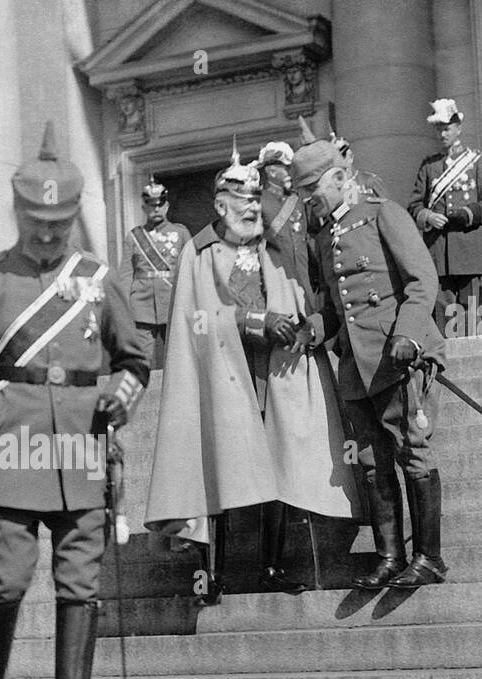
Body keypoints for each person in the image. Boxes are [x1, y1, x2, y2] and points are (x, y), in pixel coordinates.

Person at [0, 122, 150, 679]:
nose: (50, 233)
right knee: (5, 579)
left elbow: (136, 360)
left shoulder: (98, 278)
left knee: (79, 583)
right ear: (18, 213)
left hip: (81, 445)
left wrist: (122, 396)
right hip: (9, 443)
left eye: (60, 221)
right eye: (37, 221)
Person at [144, 143, 360, 604]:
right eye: (242, 201)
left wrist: (301, 325)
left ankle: (271, 565)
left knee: (276, 459)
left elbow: (305, 294)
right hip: (219, 374)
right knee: (217, 464)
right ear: (221, 204)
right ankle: (213, 573)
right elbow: (194, 320)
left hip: (272, 369)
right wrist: (254, 321)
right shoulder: (198, 253)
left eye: (255, 199)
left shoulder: (274, 247)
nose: (252, 207)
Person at [292, 140, 450, 589]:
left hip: (397, 357)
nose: (308, 200)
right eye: (302, 193)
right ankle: (390, 557)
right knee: (372, 462)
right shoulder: (324, 237)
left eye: (312, 188)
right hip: (356, 366)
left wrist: (409, 332)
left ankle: (430, 558)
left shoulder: (385, 213)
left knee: (411, 450)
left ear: (340, 179)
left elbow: (423, 279)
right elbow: (336, 306)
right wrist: (313, 329)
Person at [408, 98, 482, 334]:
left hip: (468, 246)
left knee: (472, 308)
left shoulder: (476, 162)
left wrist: (466, 214)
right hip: (438, 249)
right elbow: (414, 204)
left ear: (459, 128)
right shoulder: (429, 166)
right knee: (443, 309)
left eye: (446, 128)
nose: (442, 134)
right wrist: (428, 216)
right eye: (439, 129)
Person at [123, 177, 191, 369]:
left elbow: (190, 271)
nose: (156, 209)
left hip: (173, 301)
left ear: (167, 206)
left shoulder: (181, 233)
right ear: (144, 207)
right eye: (151, 205)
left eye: (160, 205)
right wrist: (122, 307)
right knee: (141, 359)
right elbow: (126, 275)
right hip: (141, 305)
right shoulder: (134, 237)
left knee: (178, 356)